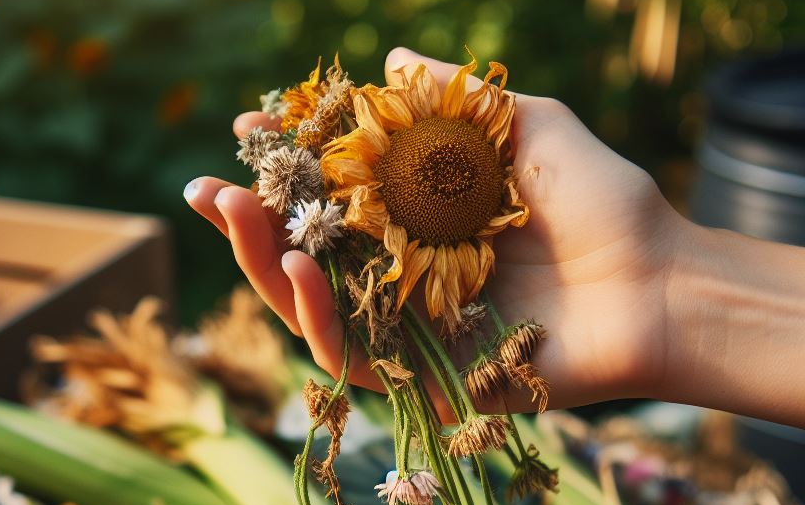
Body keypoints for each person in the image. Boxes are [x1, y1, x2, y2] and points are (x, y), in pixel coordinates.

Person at [185, 48, 805, 429]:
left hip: (446, 232)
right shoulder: (396, 172)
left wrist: (659, 282)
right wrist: (662, 288)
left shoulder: (444, 180)